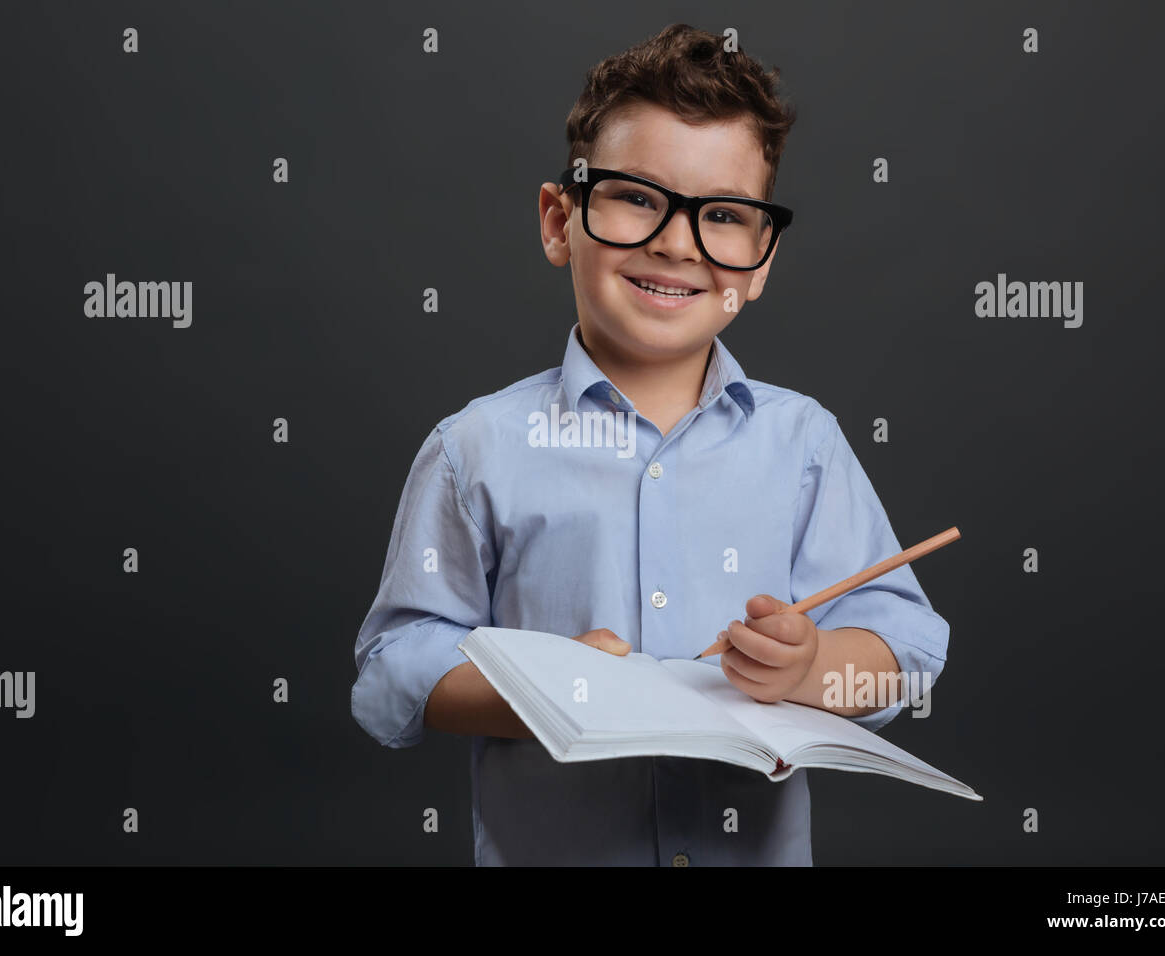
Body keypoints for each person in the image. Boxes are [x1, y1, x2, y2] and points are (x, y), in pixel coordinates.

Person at [351, 23, 949, 865]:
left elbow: (911, 657)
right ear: (562, 220)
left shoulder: (803, 442)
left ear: (760, 259)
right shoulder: (475, 449)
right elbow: (389, 674)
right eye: (636, 196)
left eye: (726, 215)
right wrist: (539, 688)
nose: (676, 241)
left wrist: (810, 667)